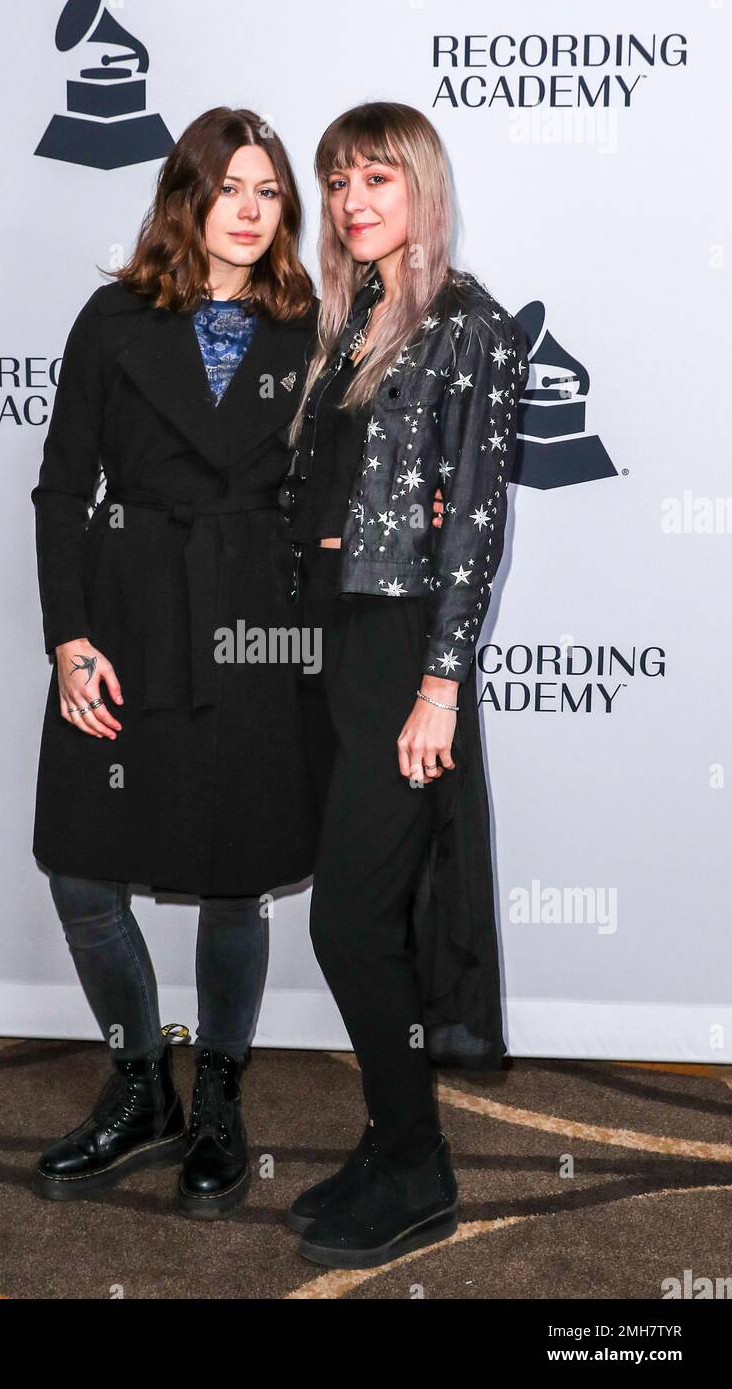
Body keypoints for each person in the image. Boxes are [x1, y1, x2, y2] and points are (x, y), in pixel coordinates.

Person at [28, 107, 325, 1219]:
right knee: (82, 868)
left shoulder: (315, 324)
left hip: (257, 615)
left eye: (268, 192)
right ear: (186, 199)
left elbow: (335, 484)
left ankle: (219, 1101)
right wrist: (67, 636)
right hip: (129, 609)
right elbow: (63, 488)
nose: (249, 211)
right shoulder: (111, 321)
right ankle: (142, 1079)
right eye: (229, 188)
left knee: (237, 874)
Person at [280, 102, 531, 1269]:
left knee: (347, 918)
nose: (349, 200)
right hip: (328, 642)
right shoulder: (351, 318)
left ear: (420, 187)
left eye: (374, 176)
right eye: (336, 180)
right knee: (361, 914)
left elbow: (475, 525)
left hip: (396, 654)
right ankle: (390, 1141)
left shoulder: (469, 327)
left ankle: (419, 1162)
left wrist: (440, 685)